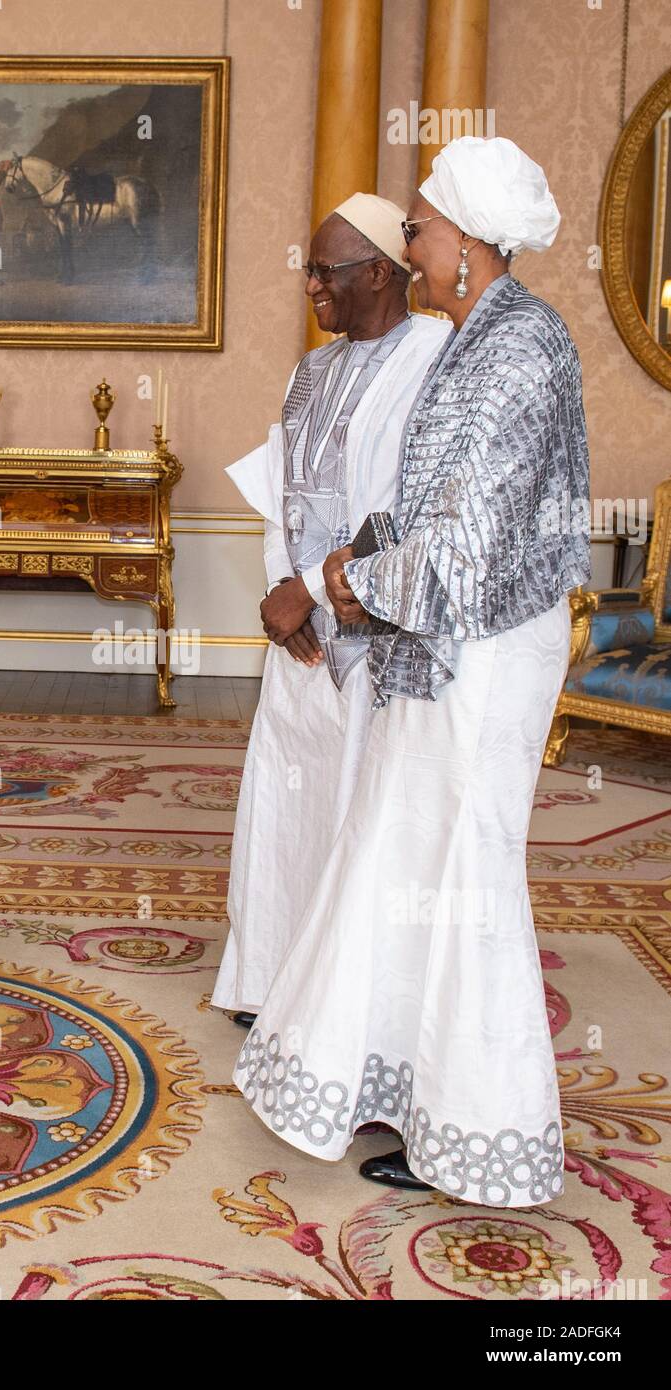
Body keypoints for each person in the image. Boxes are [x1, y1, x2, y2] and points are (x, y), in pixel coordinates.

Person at [233, 136, 590, 1207]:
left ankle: (487, 1134)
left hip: (480, 654)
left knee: (463, 885)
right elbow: (428, 506)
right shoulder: (480, 334)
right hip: (436, 639)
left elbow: (470, 545)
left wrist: (351, 583)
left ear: (468, 245)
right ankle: (409, 1091)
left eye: (423, 227)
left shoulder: (519, 347)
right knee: (407, 866)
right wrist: (353, 565)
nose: (415, 240)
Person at [212, 194, 450, 1028]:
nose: (309, 284)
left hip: (376, 632)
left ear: (380, 272)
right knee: (290, 801)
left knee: (361, 808)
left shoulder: (433, 356)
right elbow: (283, 490)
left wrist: (308, 590)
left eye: (325, 270)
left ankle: (339, 1001)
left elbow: (401, 512)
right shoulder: (310, 368)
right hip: (302, 631)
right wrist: (287, 595)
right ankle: (272, 974)